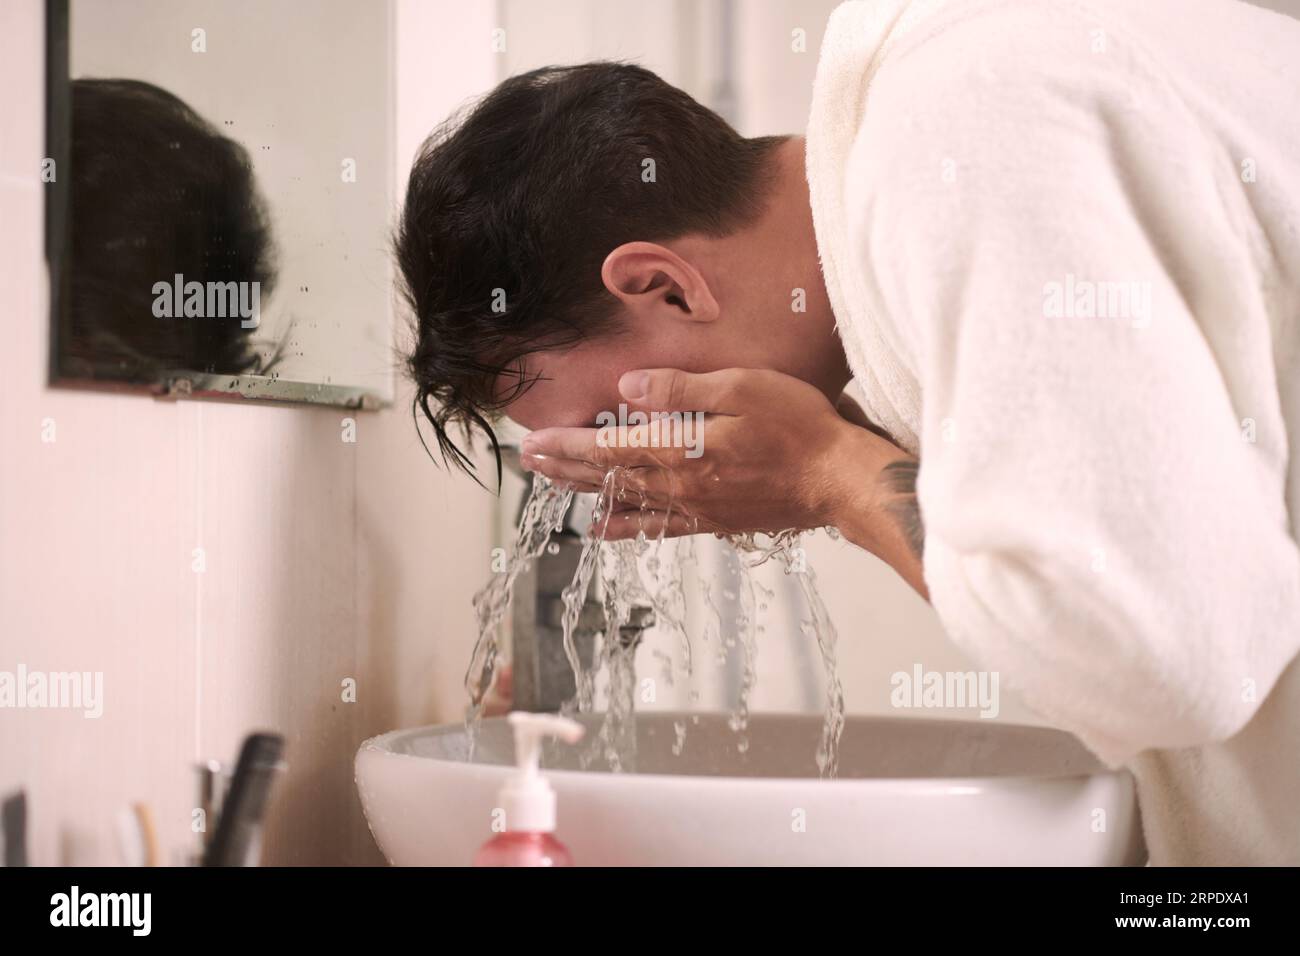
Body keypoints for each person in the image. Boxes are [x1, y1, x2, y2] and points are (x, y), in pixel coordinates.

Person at [396, 0, 1300, 864]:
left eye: (612, 424)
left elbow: (1162, 659)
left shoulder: (960, 131)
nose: (633, 469)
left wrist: (831, 472)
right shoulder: (947, 110)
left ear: (664, 285)